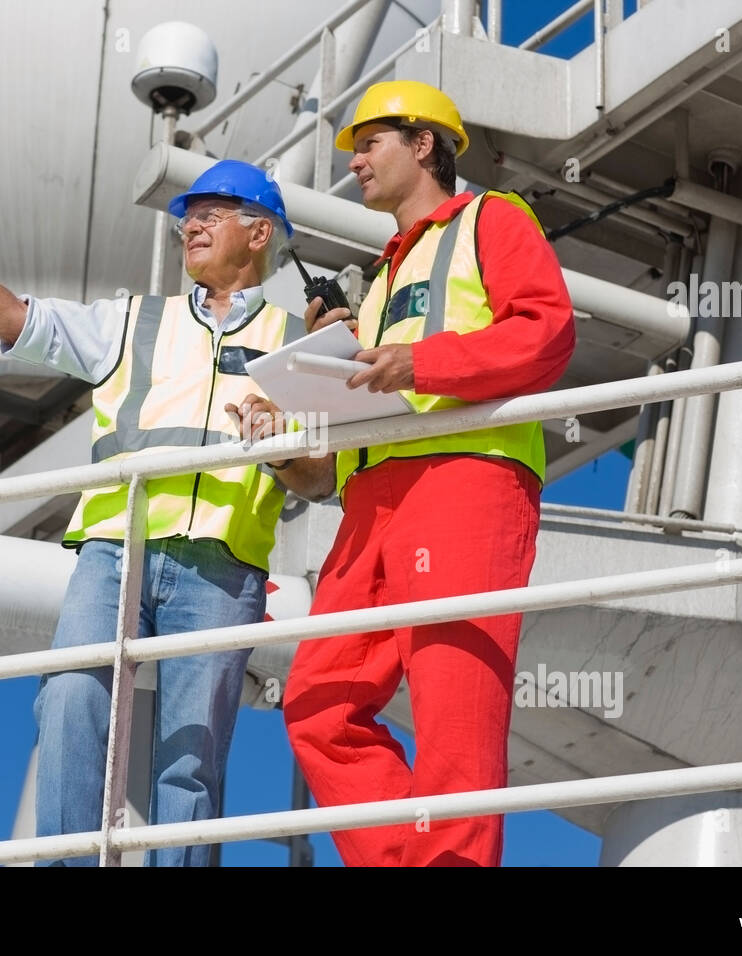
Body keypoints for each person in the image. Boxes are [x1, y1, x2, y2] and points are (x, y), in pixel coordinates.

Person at [0, 159, 312, 865]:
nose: (188, 224)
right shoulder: (130, 321)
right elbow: (13, 317)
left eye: (211, 214)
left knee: (191, 762)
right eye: (187, 215)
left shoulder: (299, 341)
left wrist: (281, 444)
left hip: (223, 570)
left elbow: (323, 479)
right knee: (71, 701)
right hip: (115, 551)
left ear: (259, 234)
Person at [234, 80, 575, 866]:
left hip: (466, 480)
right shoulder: (382, 276)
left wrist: (416, 361)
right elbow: (344, 436)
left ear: (424, 145)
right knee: (320, 702)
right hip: (370, 502)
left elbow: (547, 332)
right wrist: (292, 413)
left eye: (369, 142)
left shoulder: (494, 218)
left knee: (455, 710)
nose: (355, 161)